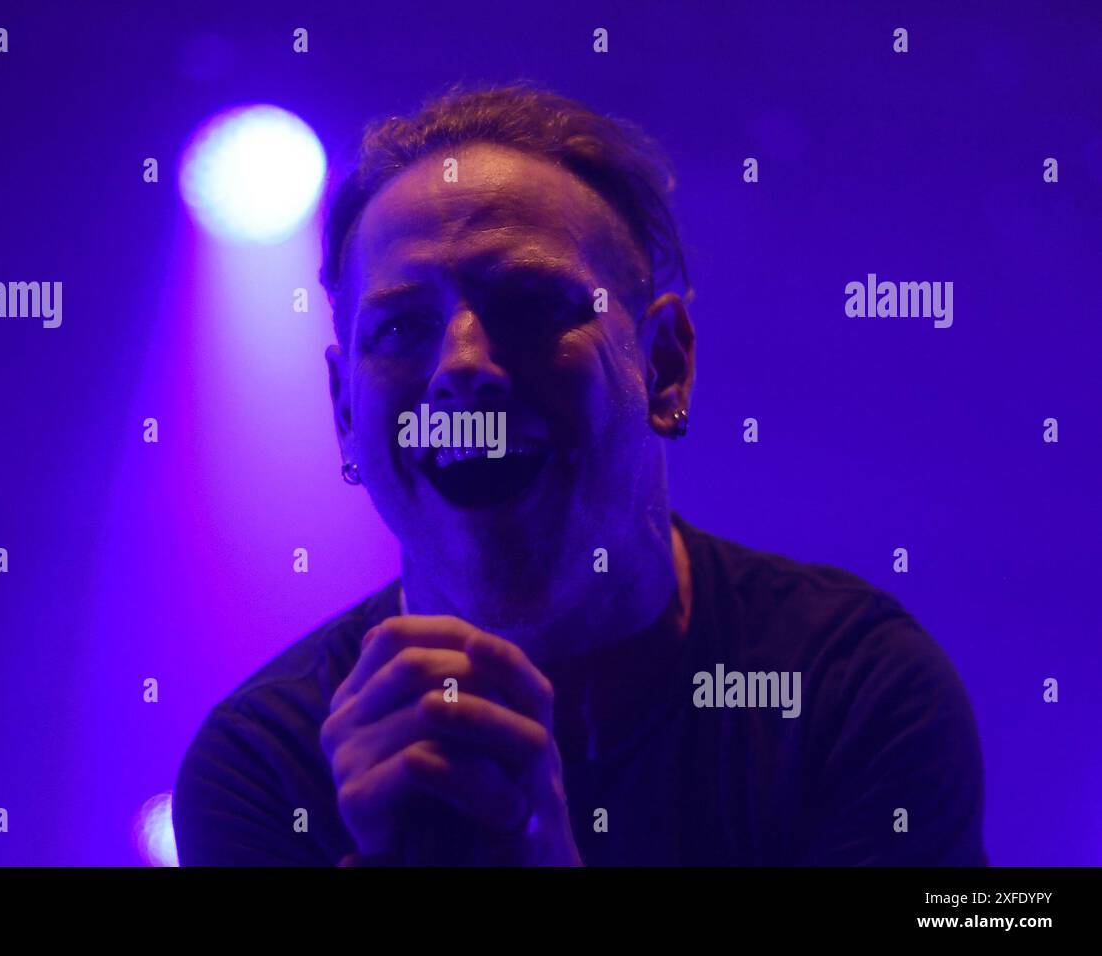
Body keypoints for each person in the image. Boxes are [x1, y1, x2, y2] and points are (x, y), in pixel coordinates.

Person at [173, 83, 986, 866]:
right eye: (400, 328)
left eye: (530, 305)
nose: (461, 366)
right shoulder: (268, 766)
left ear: (664, 368)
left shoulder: (849, 690)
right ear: (345, 412)